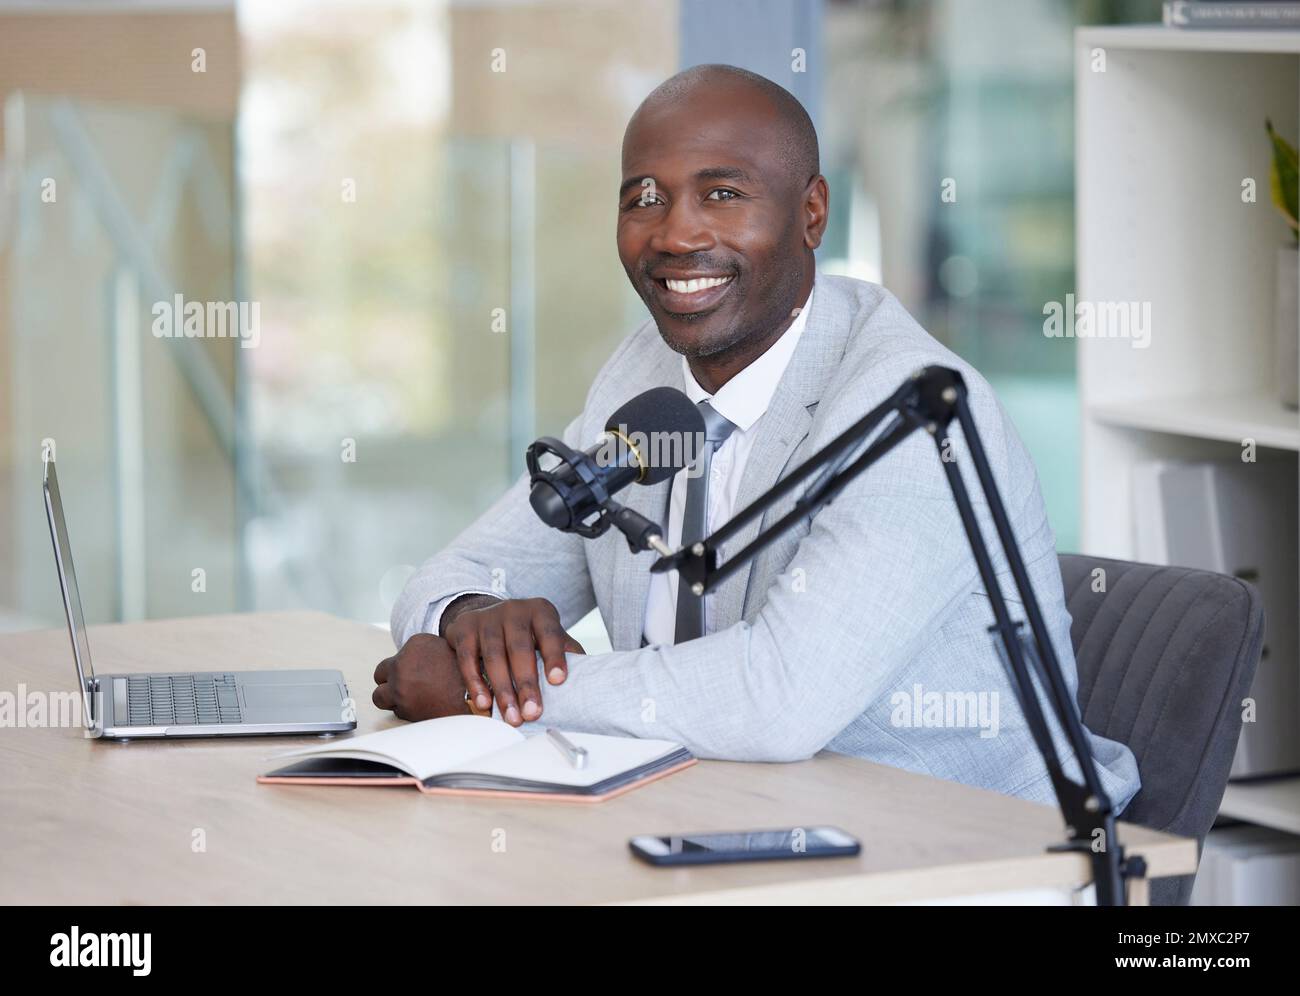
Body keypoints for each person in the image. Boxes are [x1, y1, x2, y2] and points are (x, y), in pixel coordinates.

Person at [377, 64, 1141, 812]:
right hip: (719, 815)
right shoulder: (644, 373)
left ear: (812, 214)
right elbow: (459, 573)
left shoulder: (910, 410)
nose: (676, 233)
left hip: (966, 846)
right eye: (645, 198)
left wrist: (484, 695)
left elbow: (779, 697)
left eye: (724, 194)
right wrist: (472, 617)